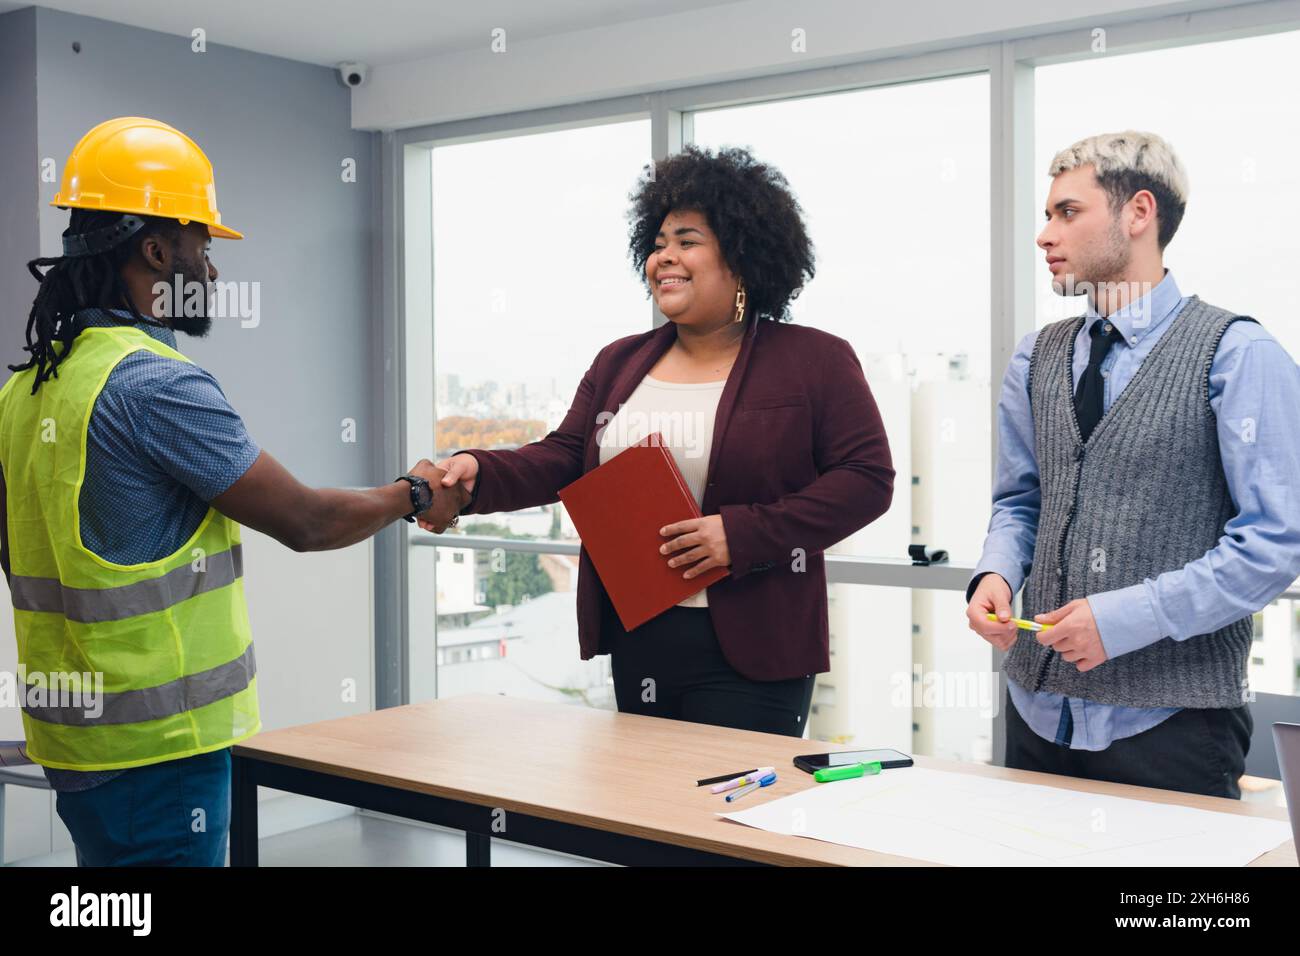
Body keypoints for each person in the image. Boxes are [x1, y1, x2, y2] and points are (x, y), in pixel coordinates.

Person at [0, 116, 466, 866]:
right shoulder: (156, 384)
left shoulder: (27, 390)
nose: (213, 271)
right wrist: (413, 492)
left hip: (76, 743)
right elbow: (308, 521)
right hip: (158, 748)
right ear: (156, 250)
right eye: (203, 245)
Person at [431, 145, 894, 736]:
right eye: (656, 243)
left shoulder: (815, 360)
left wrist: (741, 534)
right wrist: (479, 468)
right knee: (646, 816)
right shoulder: (620, 361)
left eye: (687, 240)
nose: (664, 258)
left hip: (754, 647)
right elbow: (566, 456)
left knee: (721, 817)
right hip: (641, 631)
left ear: (744, 253)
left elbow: (866, 480)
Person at [965, 130, 1300, 798]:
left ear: (1138, 214)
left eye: (1067, 212)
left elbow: (1275, 542)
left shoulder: (1239, 354)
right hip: (1035, 712)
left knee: (1155, 908)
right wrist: (995, 574)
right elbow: (1020, 501)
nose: (1044, 234)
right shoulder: (1035, 357)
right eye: (1047, 214)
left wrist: (1124, 620)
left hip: (1173, 728)